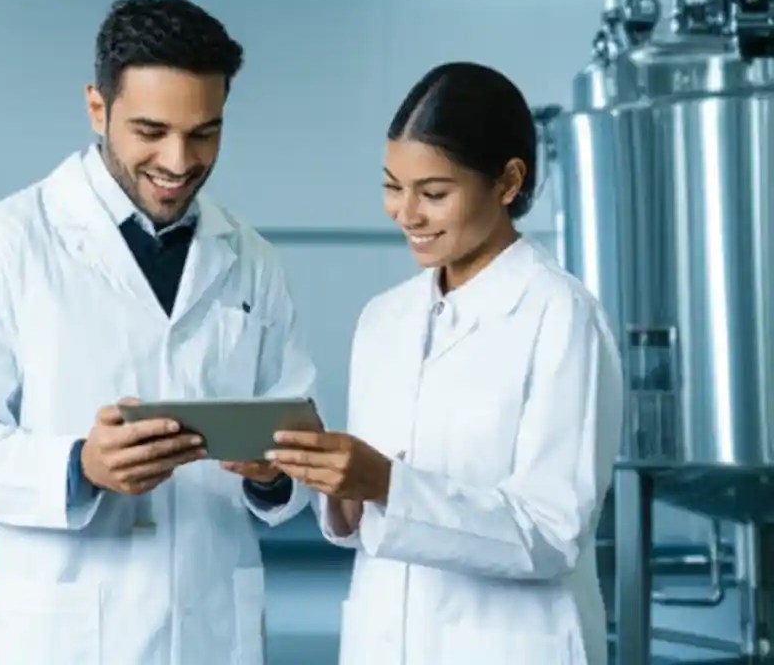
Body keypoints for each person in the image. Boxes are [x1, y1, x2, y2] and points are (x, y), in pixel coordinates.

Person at [0, 0, 317, 665]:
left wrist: (272, 473)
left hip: (213, 624)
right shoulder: (4, 243)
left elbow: (298, 443)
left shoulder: (252, 259)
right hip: (69, 628)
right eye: (151, 131)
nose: (179, 161)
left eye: (204, 131)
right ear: (98, 108)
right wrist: (78, 466)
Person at [264, 62, 624, 665]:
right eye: (391, 187)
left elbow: (554, 533)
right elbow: (365, 522)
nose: (406, 213)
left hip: (511, 644)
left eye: (433, 193)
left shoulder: (560, 318)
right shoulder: (385, 320)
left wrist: (385, 481)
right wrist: (330, 477)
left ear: (508, 182)